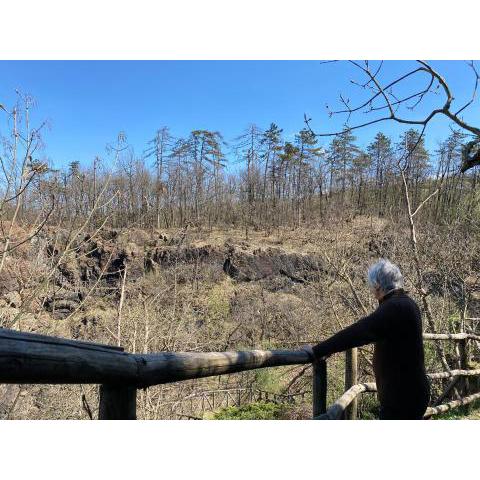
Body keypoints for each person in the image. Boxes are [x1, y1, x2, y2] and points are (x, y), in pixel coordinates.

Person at [303, 259, 430, 420]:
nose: (371, 290)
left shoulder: (395, 307)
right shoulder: (407, 303)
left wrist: (316, 351)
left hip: (402, 398)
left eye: (372, 286)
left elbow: (358, 332)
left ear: (377, 286)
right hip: (411, 393)